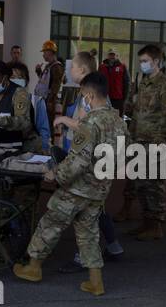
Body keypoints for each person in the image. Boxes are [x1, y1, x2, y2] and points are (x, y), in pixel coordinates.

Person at [13, 73, 126, 295]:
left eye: (84, 95)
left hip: (77, 187)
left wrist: (55, 174)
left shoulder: (90, 122)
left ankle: (33, 267)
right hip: (99, 189)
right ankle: (96, 281)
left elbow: (79, 160)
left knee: (50, 223)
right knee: (88, 233)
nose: (83, 100)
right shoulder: (119, 122)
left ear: (91, 95)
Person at [53, 52, 124, 271]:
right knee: (95, 208)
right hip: (93, 159)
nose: (69, 70)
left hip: (87, 161)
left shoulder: (88, 94)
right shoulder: (90, 90)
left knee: (83, 211)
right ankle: (113, 246)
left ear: (82, 70)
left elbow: (85, 125)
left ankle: (82, 257)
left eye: (72, 67)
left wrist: (64, 120)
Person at [122, 44, 166, 239]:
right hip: (139, 138)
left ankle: (156, 225)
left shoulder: (165, 84)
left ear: (157, 62)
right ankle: (146, 222)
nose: (142, 65)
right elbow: (136, 112)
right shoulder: (144, 83)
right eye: (141, 61)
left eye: (146, 61)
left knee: (155, 184)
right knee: (141, 183)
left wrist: (160, 144)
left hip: (155, 141)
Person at [9, 62, 51, 152]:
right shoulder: (1, 101)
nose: (16, 80)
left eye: (20, 78)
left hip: (29, 151)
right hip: (5, 151)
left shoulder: (37, 101)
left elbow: (44, 131)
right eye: (12, 78)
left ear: (26, 81)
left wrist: (43, 151)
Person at [34, 40, 64, 127]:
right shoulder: (49, 66)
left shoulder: (57, 67)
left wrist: (50, 102)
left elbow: (55, 86)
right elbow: (45, 82)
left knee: (47, 125)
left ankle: (49, 140)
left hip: (48, 101)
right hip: (43, 100)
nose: (43, 54)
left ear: (50, 52)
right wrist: (39, 71)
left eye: (45, 52)